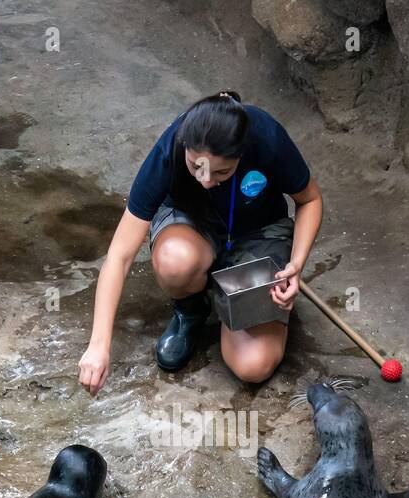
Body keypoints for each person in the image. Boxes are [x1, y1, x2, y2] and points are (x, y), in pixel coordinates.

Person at [78, 91, 323, 395]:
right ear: (184, 145)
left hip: (257, 234)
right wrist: (98, 346)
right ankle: (191, 310)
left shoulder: (266, 136)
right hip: (193, 226)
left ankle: (236, 303)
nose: (206, 180)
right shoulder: (171, 146)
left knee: (253, 365)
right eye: (196, 167)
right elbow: (120, 255)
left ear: (243, 153)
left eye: (222, 171)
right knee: (175, 261)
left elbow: (309, 200)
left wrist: (295, 265)